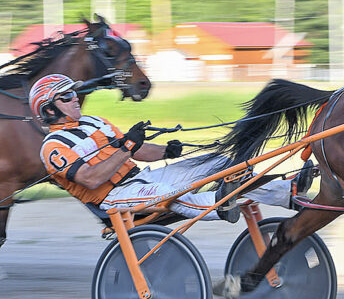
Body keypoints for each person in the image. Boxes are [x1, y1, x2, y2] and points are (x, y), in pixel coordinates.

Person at [30, 74, 313, 223]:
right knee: (172, 196)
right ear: (49, 109)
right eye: (67, 96)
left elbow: (136, 151)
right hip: (113, 199)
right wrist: (128, 145)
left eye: (75, 93)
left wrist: (168, 152)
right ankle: (220, 206)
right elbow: (91, 178)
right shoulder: (53, 147)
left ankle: (287, 193)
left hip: (142, 180)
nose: (76, 99)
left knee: (221, 162)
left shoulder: (94, 122)